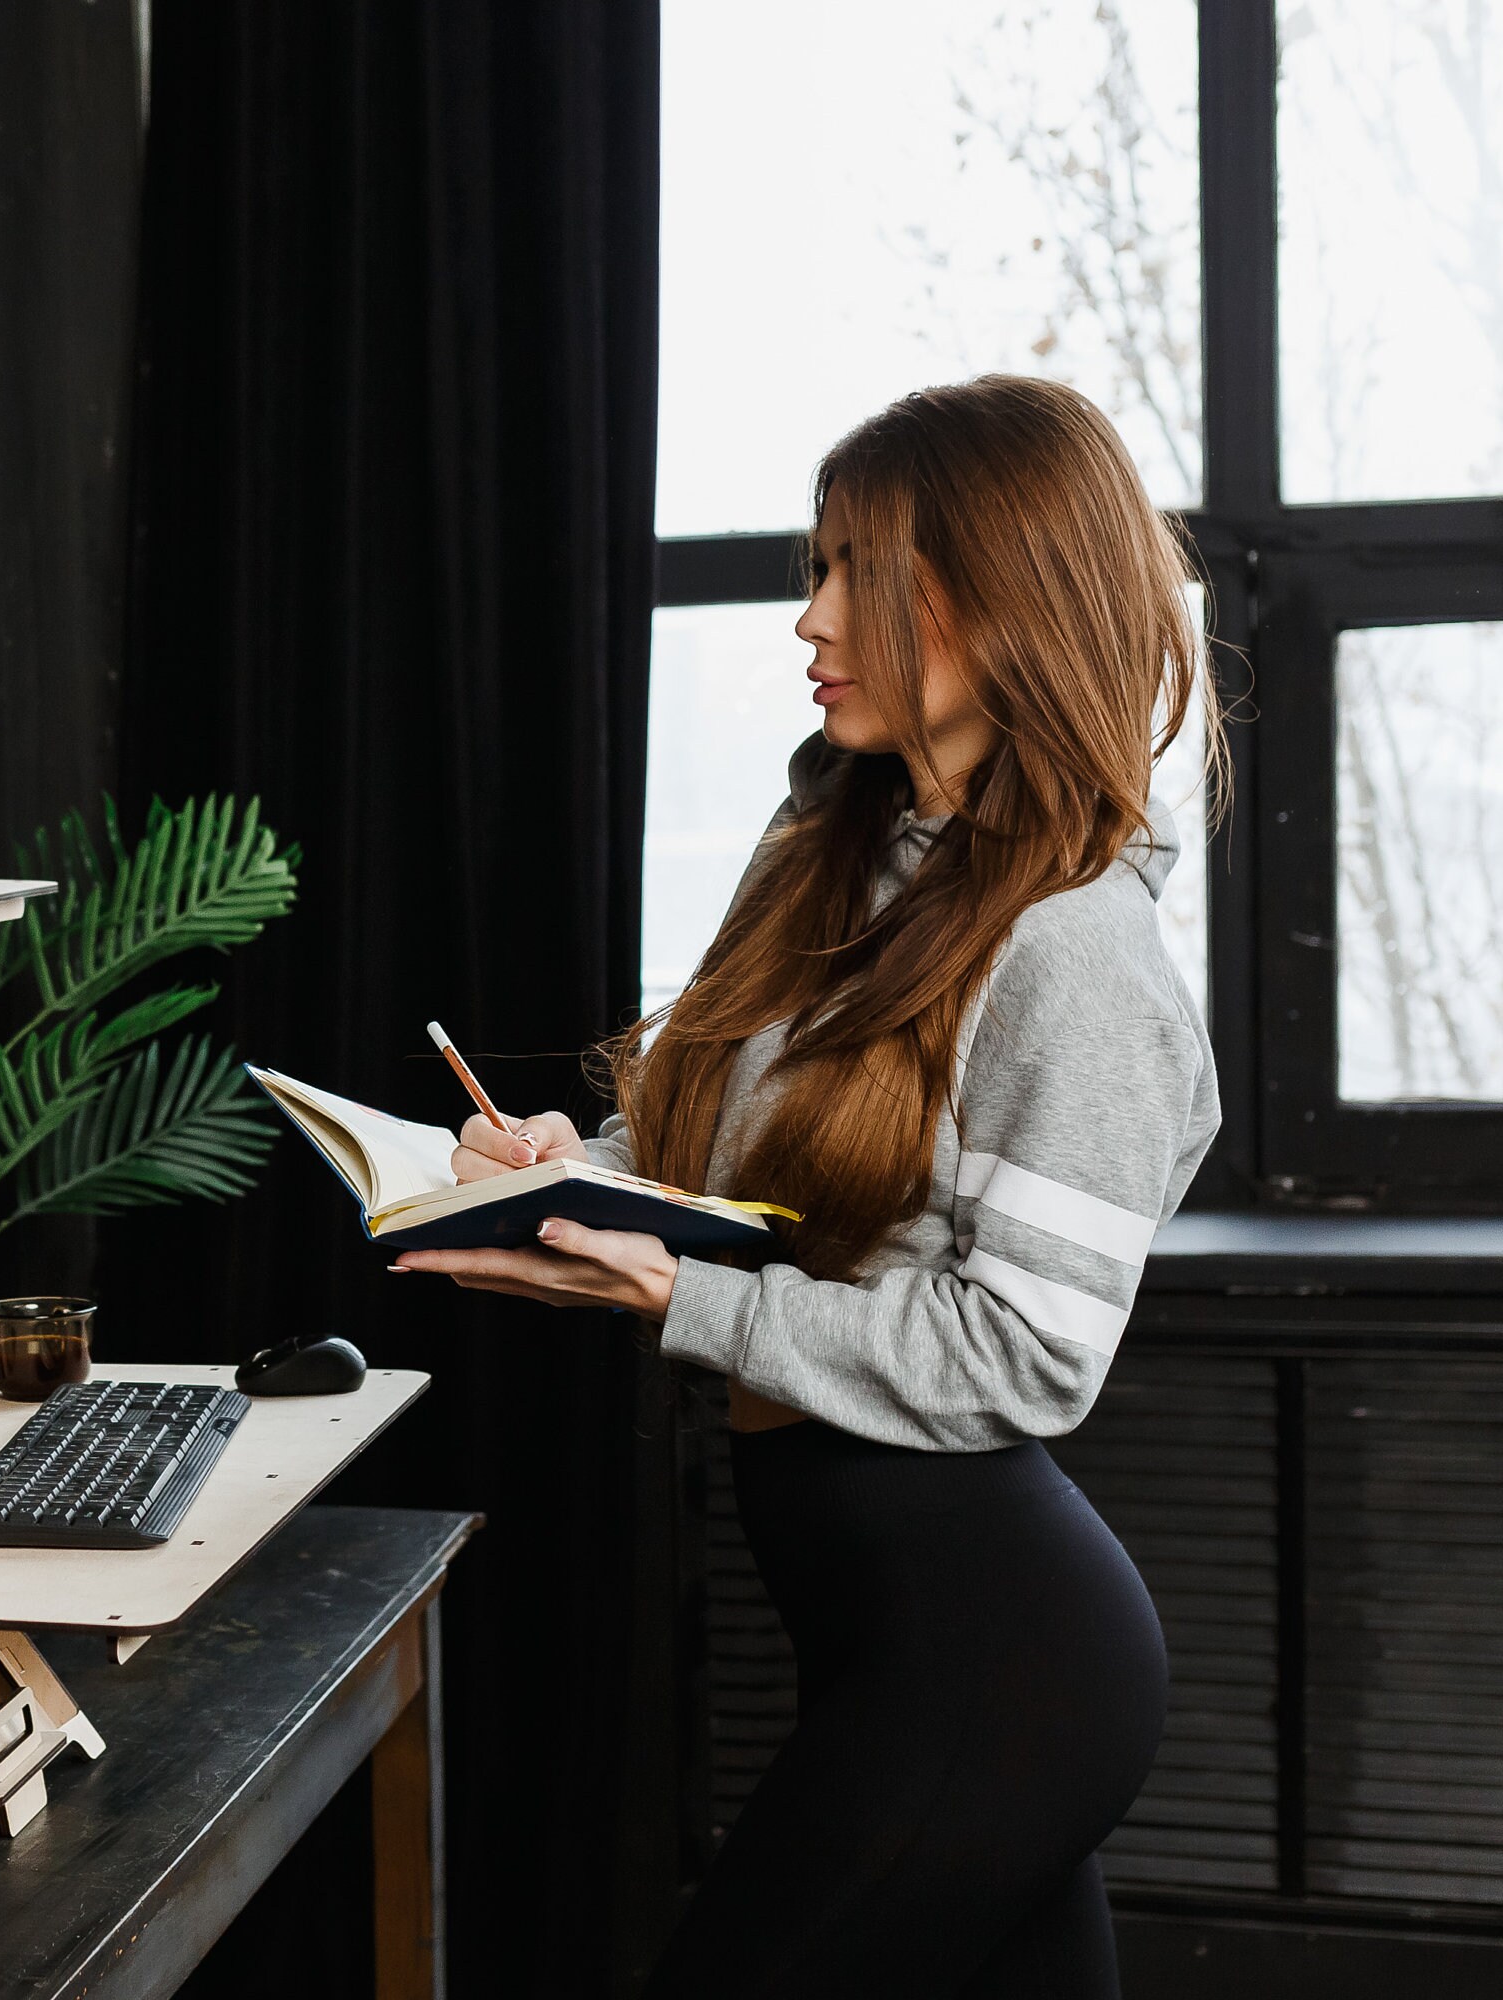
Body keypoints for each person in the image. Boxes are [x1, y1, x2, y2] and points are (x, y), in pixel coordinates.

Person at [397, 376, 1224, 1998]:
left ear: (1002, 605)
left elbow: (1028, 1354)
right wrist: (585, 1171)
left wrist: (676, 1293)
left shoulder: (1076, 950)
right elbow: (730, 1143)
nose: (810, 619)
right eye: (815, 565)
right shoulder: (834, 847)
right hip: (872, 1621)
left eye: (858, 571)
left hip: (996, 1652)